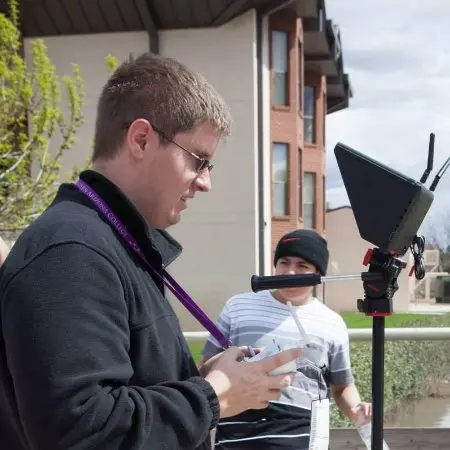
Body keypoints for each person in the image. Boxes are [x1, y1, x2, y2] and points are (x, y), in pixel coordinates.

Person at [0, 53, 301, 450]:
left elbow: (123, 386)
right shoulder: (72, 252)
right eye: (199, 161)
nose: (205, 183)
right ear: (141, 139)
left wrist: (200, 379)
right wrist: (212, 396)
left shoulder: (112, 241)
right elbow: (81, 431)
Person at [201, 229, 372, 449]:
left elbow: (341, 387)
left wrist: (357, 409)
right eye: (284, 262)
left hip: (303, 437)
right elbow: (205, 367)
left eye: (302, 266)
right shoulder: (237, 307)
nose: (290, 272)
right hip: (238, 430)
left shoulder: (333, 323)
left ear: (318, 273)